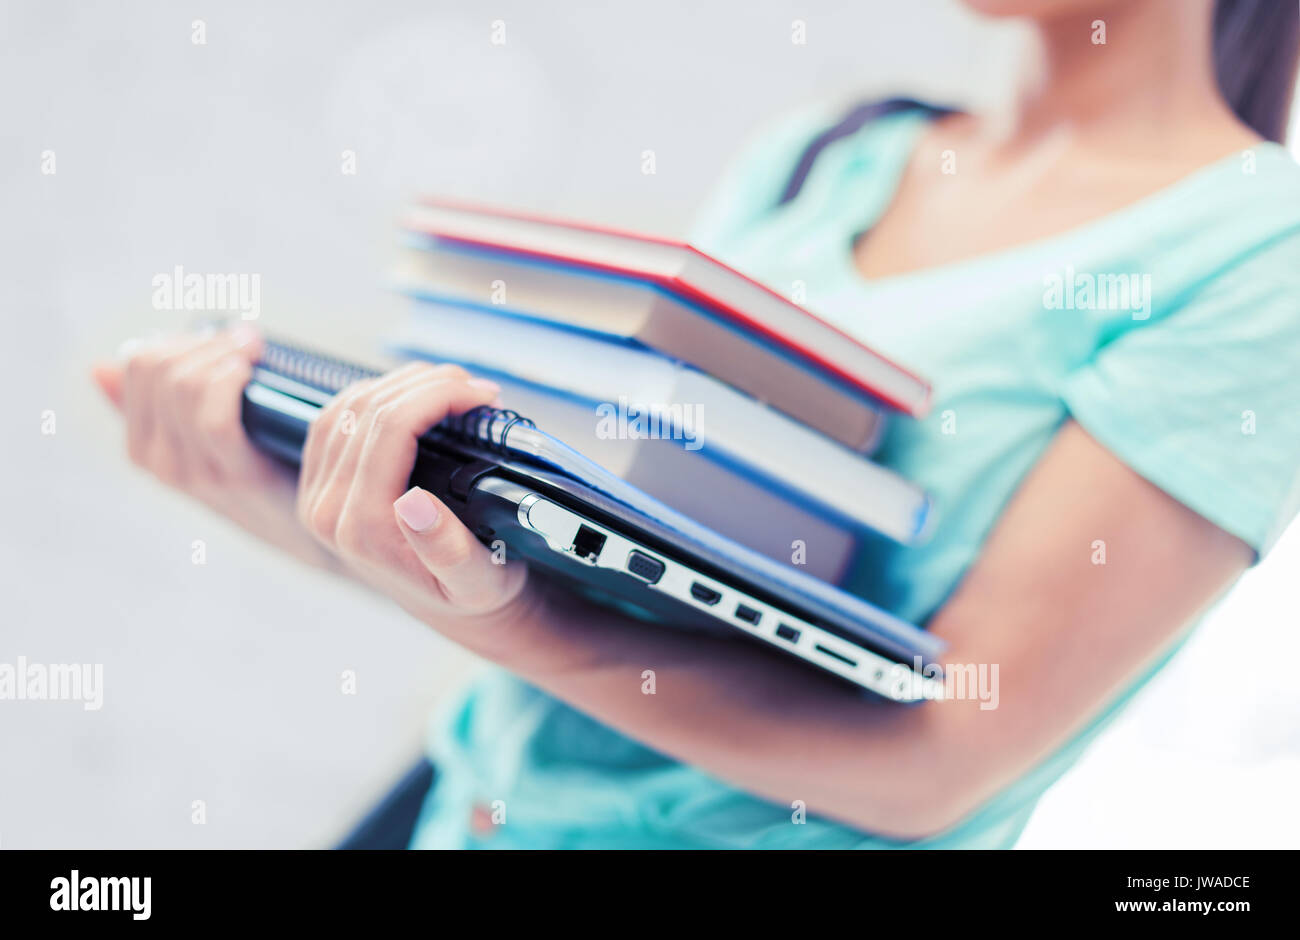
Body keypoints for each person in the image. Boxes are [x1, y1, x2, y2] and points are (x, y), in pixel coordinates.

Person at [94, 0, 1300, 849]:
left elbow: (938, 758)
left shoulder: (1260, 254)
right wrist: (292, 493)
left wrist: (517, 624)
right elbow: (584, 567)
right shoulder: (829, 157)